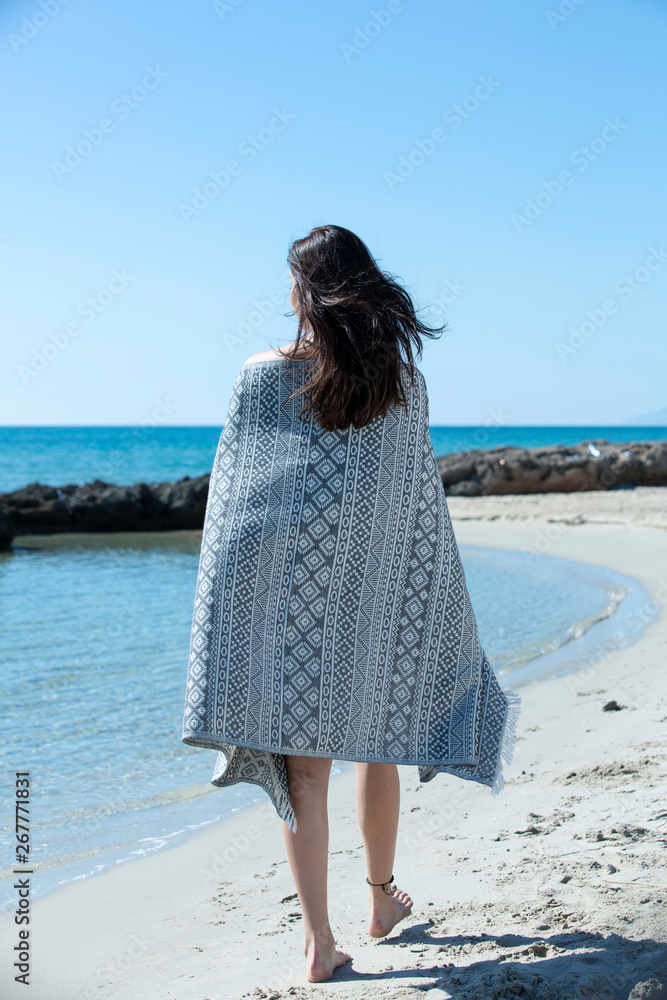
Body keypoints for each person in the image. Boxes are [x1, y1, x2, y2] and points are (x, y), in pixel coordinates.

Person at [182, 224, 521, 984]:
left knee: (304, 768)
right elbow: (414, 504)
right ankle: (379, 901)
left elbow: (235, 501)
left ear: (304, 293)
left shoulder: (256, 374)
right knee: (378, 736)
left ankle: (318, 943)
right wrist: (424, 596)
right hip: (373, 581)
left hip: (281, 588)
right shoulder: (401, 382)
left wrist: (227, 604)